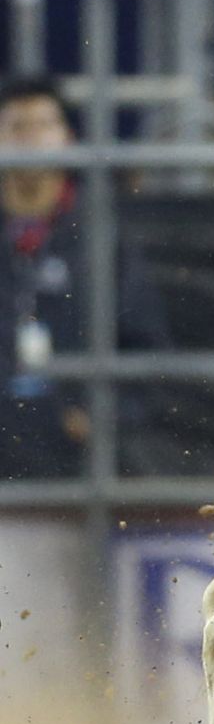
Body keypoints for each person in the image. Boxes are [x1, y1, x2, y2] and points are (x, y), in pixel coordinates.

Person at [0, 77, 170, 479]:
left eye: (44, 125)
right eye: (16, 126)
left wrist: (99, 417)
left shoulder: (103, 234)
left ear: (69, 139)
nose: (31, 139)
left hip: (81, 471)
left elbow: (147, 350)